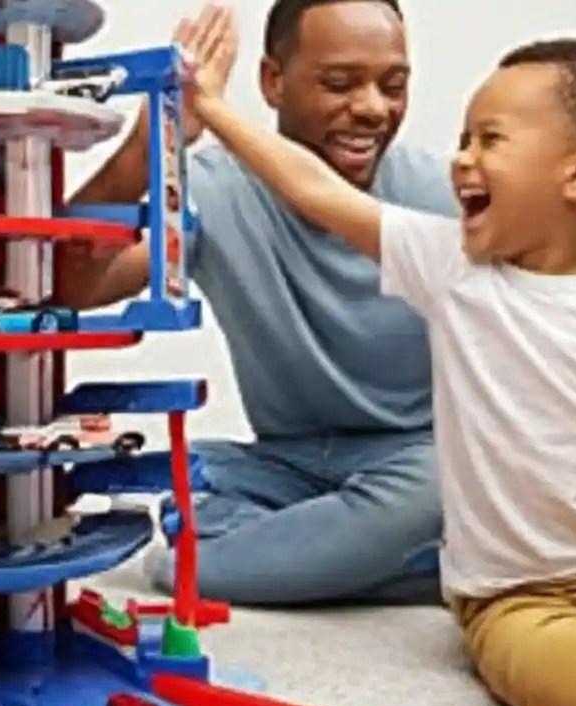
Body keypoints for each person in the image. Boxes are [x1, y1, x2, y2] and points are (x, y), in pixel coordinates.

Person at [188, 34, 576, 706]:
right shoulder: (450, 268)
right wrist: (213, 108)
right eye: (462, 139)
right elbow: (312, 189)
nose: (461, 159)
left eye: (490, 140)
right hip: (515, 591)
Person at [60, 0, 457, 605]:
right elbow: (73, 287)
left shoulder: (443, 196)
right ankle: (393, 567)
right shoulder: (213, 189)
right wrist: (146, 149)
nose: (373, 108)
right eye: (340, 84)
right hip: (284, 464)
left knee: (442, 490)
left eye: (393, 85)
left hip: (418, 460)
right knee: (179, 478)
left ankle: (217, 568)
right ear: (273, 81)